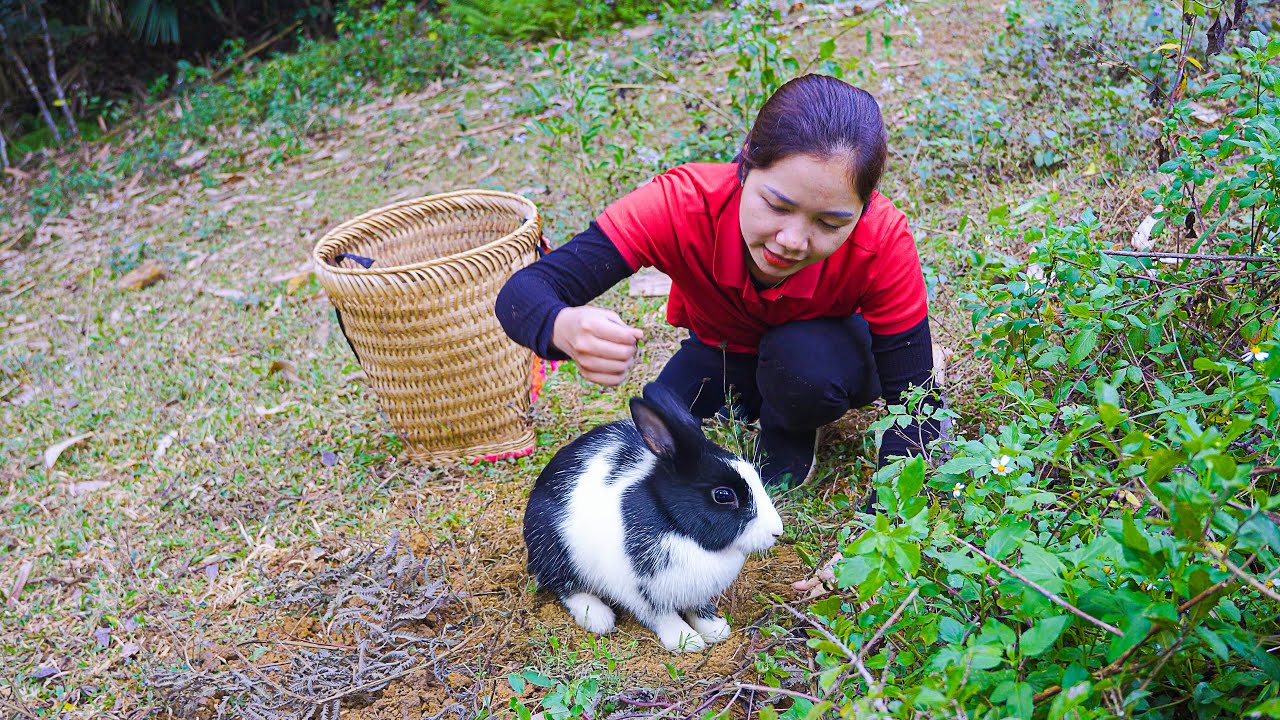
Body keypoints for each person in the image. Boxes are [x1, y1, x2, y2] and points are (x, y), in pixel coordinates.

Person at [495, 73, 942, 489]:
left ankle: (796, 421)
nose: (792, 241)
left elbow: (915, 409)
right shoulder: (681, 205)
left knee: (802, 368)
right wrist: (563, 326)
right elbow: (524, 292)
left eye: (829, 223)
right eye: (777, 206)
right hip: (727, 349)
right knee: (660, 416)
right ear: (745, 165)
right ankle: (767, 401)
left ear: (863, 209)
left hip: (825, 356)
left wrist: (883, 526)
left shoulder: (881, 238)